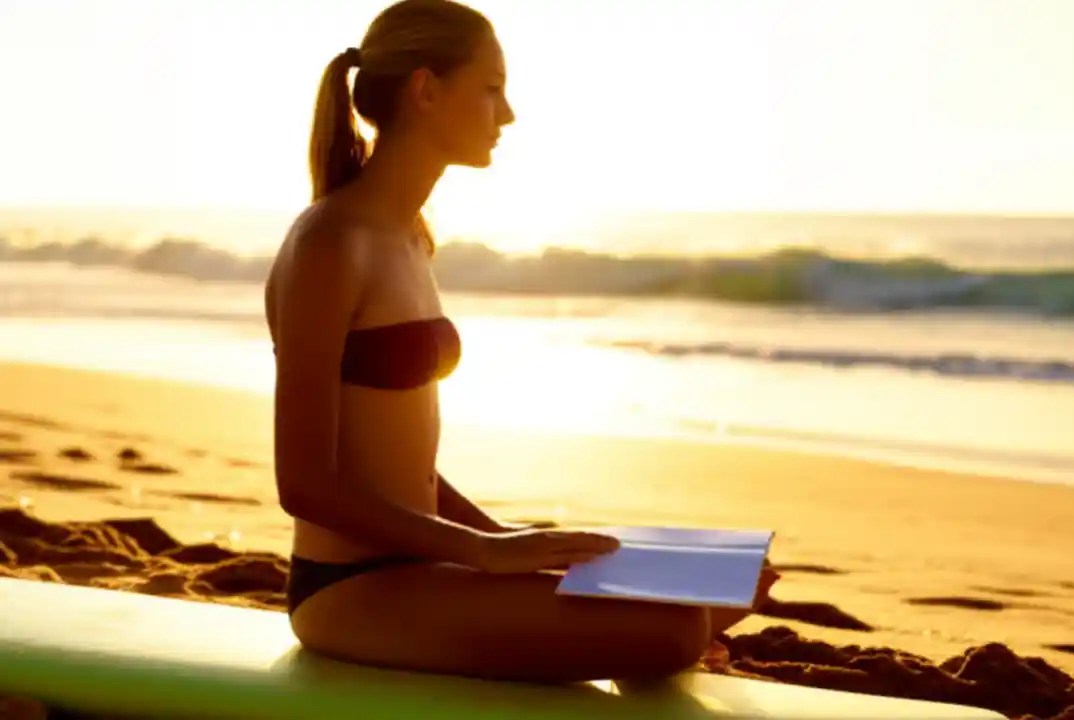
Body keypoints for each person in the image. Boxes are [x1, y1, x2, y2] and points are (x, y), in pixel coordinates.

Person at [264, 0, 777, 683]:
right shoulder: (329, 243)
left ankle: (632, 632)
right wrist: (482, 552)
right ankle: (640, 641)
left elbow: (398, 465)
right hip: (348, 590)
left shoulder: (409, 235)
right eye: (491, 88)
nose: (506, 115)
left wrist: (504, 538)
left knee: (726, 579)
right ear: (426, 89)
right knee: (678, 624)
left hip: (429, 563)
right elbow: (305, 485)